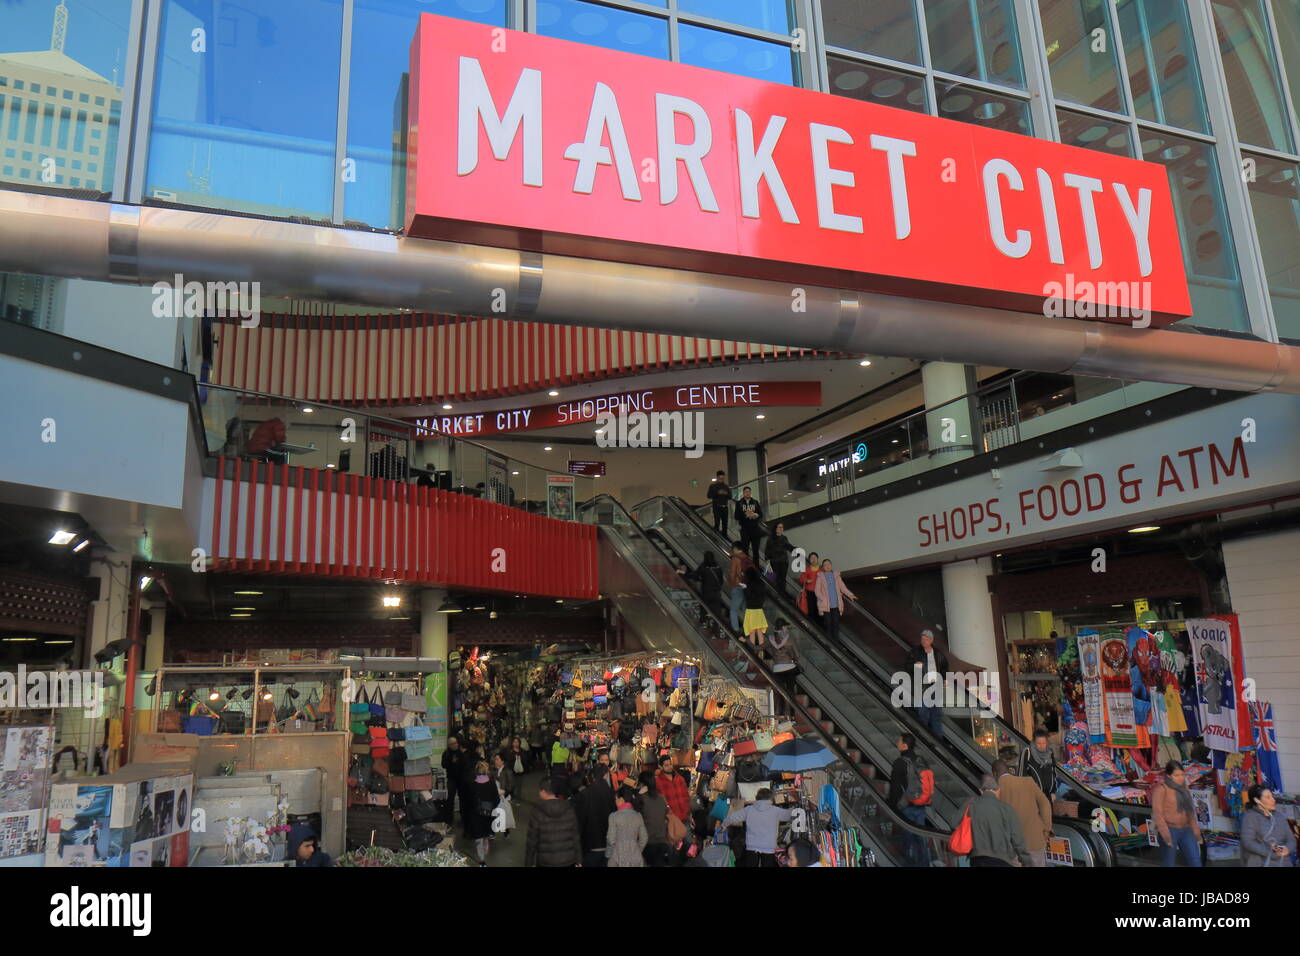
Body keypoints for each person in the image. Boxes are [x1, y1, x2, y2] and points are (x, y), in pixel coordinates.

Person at [993, 758, 1052, 867]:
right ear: (1009, 770)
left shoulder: (995, 790)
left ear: (994, 773)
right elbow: (1045, 804)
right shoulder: (1028, 782)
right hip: (1035, 840)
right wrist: (1046, 828)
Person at [886, 733, 931, 867]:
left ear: (904, 745)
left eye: (899, 741)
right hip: (921, 805)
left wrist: (892, 805)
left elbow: (895, 787)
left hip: (906, 807)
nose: (897, 743)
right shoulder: (921, 760)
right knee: (921, 840)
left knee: (907, 842)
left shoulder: (900, 762)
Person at [968, 774, 1032, 867]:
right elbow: (1017, 839)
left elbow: (954, 823)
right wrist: (1026, 861)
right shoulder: (1006, 809)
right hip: (1002, 860)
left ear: (981, 791)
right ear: (998, 790)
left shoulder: (971, 805)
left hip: (976, 860)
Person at [723, 787, 792, 867]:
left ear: (757, 798)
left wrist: (723, 826)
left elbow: (732, 817)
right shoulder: (776, 811)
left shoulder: (748, 810)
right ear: (770, 798)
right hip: (768, 846)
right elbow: (790, 815)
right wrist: (796, 809)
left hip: (752, 846)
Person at [1152, 760, 1203, 867]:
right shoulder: (1161, 789)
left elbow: (1190, 811)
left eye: (1182, 774)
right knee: (1169, 863)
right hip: (1170, 829)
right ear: (1169, 776)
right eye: (1176, 775)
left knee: (1196, 862)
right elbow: (1158, 814)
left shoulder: (1184, 788)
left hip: (1186, 829)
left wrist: (1196, 831)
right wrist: (1166, 836)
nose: (1181, 778)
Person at [525, 777, 582, 868]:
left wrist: (529, 862)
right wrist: (579, 860)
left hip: (545, 861)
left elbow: (532, 841)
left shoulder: (537, 811)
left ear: (543, 791)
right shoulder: (569, 809)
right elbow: (575, 836)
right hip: (568, 860)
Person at [907, 629, 949, 740]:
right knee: (922, 712)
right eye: (922, 639)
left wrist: (944, 678)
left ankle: (938, 738)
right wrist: (915, 666)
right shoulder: (915, 652)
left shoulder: (937, 653)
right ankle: (923, 736)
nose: (923, 641)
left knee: (936, 714)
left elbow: (944, 666)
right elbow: (907, 666)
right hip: (922, 687)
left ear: (931, 640)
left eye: (926, 639)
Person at [1240, 784, 1296, 867]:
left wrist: (1287, 849)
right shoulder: (1250, 817)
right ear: (1257, 800)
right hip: (1262, 861)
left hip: (1283, 861)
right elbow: (1247, 842)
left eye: (1272, 797)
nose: (1273, 800)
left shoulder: (1280, 816)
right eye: (1268, 797)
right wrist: (1270, 852)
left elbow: (1291, 840)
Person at [577, 763, 616, 868]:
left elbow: (580, 821)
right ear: (606, 775)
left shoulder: (585, 793)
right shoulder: (611, 793)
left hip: (590, 844)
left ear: (592, 776)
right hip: (608, 843)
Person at [813, 558, 856, 644]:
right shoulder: (820, 577)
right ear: (823, 567)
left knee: (836, 625)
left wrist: (850, 595)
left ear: (831, 565)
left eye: (829, 564)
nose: (827, 566)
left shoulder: (836, 575)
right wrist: (824, 598)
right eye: (825, 565)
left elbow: (842, 587)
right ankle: (829, 644)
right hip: (826, 606)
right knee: (828, 625)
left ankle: (836, 644)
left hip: (836, 605)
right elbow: (817, 591)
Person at [606, 785, 649, 867]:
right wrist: (637, 850)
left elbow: (610, 839)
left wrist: (608, 855)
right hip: (635, 858)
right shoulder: (638, 815)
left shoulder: (613, 816)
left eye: (616, 799)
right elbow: (644, 838)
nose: (615, 801)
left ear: (621, 800)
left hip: (617, 858)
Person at [466, 761, 499, 866]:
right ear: (487, 771)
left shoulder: (471, 784)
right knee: (486, 833)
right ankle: (486, 842)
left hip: (476, 815)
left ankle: (482, 860)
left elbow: (468, 801)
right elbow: (496, 799)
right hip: (488, 813)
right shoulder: (491, 783)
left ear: (476, 772)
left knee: (478, 837)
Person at [637, 771, 673, 867]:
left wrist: (638, 793)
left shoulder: (641, 799)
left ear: (642, 784)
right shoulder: (661, 798)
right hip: (662, 841)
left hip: (648, 843)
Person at [682, 551, 726, 624]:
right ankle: (716, 628)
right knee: (717, 613)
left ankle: (703, 624)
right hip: (716, 593)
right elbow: (721, 581)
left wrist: (685, 573)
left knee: (704, 609)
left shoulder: (703, 566)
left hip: (706, 593)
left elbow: (694, 576)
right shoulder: (718, 567)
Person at [1017, 728, 1056, 798]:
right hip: (1032, 796)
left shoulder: (1050, 752)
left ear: (1047, 742)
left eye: (1044, 743)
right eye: (1039, 743)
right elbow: (1021, 774)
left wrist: (1053, 792)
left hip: (1048, 795)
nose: (1041, 746)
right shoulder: (1027, 752)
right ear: (1034, 742)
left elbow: (1053, 772)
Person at [656, 755, 691, 830]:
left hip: (684, 816)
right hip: (671, 819)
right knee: (673, 840)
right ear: (661, 767)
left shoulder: (679, 778)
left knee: (688, 840)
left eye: (670, 764)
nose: (669, 767)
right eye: (666, 765)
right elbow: (660, 802)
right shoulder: (658, 782)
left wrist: (688, 812)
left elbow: (686, 796)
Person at [726, 542, 755, 633]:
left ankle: (735, 630)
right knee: (745, 609)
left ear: (735, 548)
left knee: (733, 610)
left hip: (737, 586)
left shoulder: (735, 558)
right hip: (747, 586)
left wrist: (731, 583)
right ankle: (750, 629)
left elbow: (732, 573)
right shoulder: (747, 558)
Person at [441, 735, 468, 824]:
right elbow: (443, 765)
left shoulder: (461, 752)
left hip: (461, 779)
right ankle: (449, 820)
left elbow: (465, 764)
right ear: (448, 745)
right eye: (451, 744)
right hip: (451, 779)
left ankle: (463, 819)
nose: (454, 745)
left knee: (463, 799)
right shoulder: (446, 753)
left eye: (455, 743)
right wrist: (450, 760)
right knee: (450, 799)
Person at [741, 565, 769, 647]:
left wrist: (744, 589)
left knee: (751, 631)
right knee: (759, 631)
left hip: (750, 609)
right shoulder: (761, 583)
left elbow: (747, 595)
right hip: (759, 609)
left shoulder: (749, 584)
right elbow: (764, 595)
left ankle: (753, 649)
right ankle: (761, 651)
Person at [734, 487, 764, 563]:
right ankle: (746, 568)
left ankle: (756, 568)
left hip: (755, 529)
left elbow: (761, 514)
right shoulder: (739, 503)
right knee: (745, 549)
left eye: (749, 492)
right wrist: (745, 515)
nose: (747, 493)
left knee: (755, 550)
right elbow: (736, 516)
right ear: (743, 493)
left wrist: (755, 515)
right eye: (746, 492)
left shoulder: (755, 502)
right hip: (745, 529)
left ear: (750, 493)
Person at [765, 522, 794, 596]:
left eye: (782, 527)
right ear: (775, 529)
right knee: (775, 579)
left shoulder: (784, 538)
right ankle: (776, 594)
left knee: (783, 579)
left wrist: (796, 549)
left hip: (783, 562)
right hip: (774, 562)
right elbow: (767, 550)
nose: (781, 529)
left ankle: (782, 594)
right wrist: (767, 559)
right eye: (779, 527)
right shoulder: (771, 538)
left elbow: (789, 546)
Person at [491, 752, 517, 835]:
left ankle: (505, 828)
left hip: (503, 795)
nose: (496, 761)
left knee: (505, 812)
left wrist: (505, 792)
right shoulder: (494, 770)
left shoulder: (507, 771)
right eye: (495, 759)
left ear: (502, 761)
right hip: (496, 794)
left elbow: (511, 784)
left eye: (497, 759)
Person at [797, 551, 822, 629]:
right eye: (811, 558)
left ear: (818, 559)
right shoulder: (807, 570)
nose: (813, 559)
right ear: (809, 560)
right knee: (811, 611)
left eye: (815, 557)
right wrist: (806, 580)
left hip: (820, 594)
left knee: (819, 611)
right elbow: (801, 578)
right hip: (810, 593)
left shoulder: (822, 570)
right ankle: (812, 628)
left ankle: (819, 629)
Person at [707, 470, 732, 534]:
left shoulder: (726, 486)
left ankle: (724, 537)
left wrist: (726, 493)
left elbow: (730, 496)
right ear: (717, 478)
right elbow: (709, 496)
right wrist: (717, 493)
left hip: (725, 507)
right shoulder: (713, 486)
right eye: (720, 478)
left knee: (725, 524)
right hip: (717, 507)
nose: (722, 480)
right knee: (717, 523)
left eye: (723, 478)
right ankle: (716, 538)